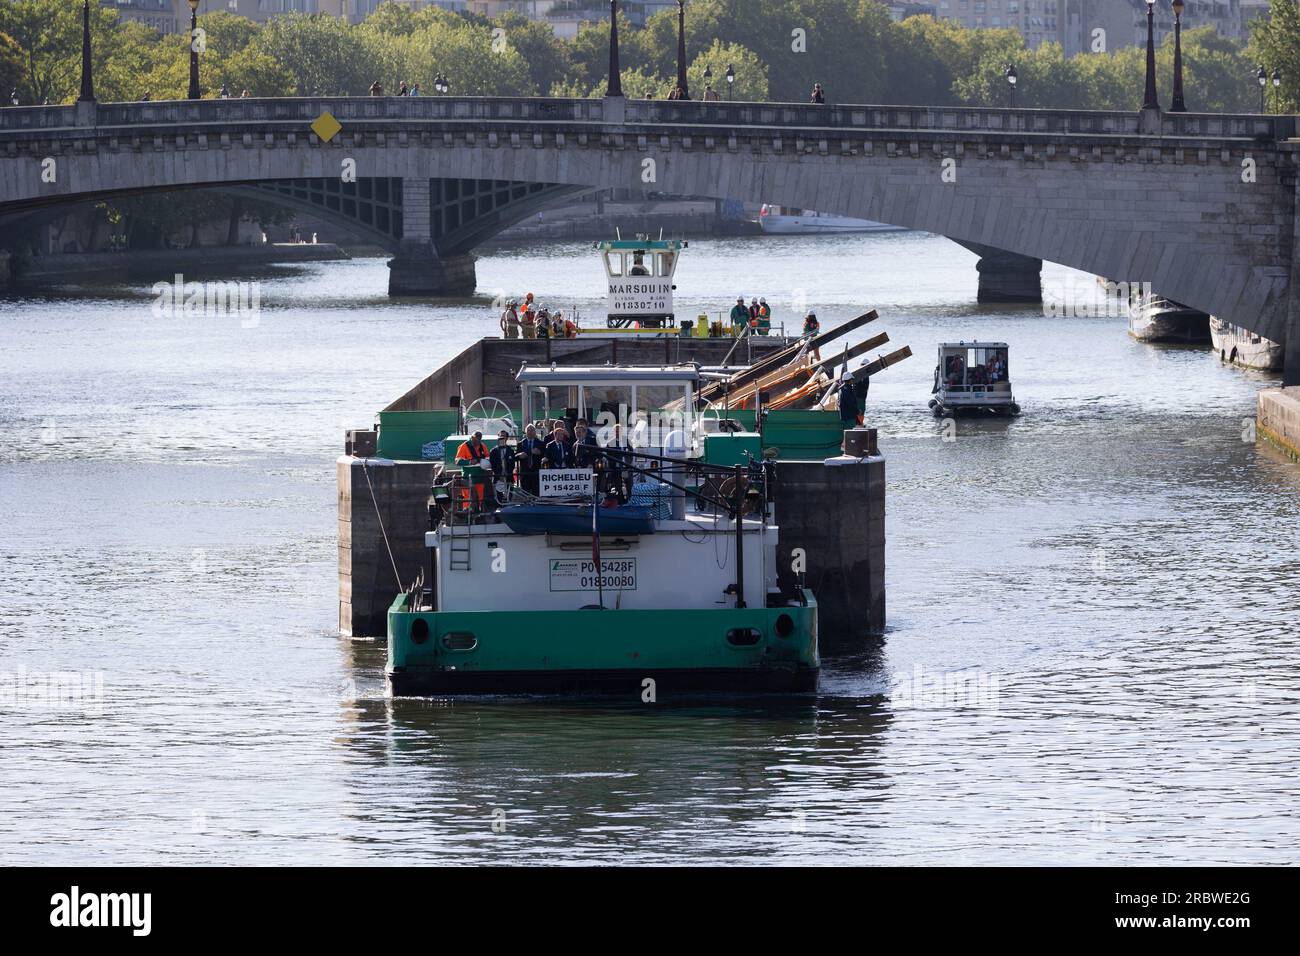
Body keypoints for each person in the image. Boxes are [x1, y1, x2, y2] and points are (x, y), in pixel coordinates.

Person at [515, 424, 546, 495]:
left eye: (532, 430)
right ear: (526, 432)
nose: (530, 432)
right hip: (525, 473)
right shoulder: (520, 444)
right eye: (528, 430)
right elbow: (515, 457)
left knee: (536, 493)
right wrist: (519, 455)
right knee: (525, 494)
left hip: (536, 472)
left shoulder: (541, 443)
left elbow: (546, 455)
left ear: (535, 432)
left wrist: (540, 453)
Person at [488, 430, 515, 501]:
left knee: (509, 497)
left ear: (507, 438)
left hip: (509, 478)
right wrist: (499, 476)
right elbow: (493, 465)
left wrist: (507, 474)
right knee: (498, 498)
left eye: (504, 436)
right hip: (498, 479)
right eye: (500, 436)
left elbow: (512, 465)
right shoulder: (493, 451)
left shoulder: (510, 451)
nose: (502, 438)